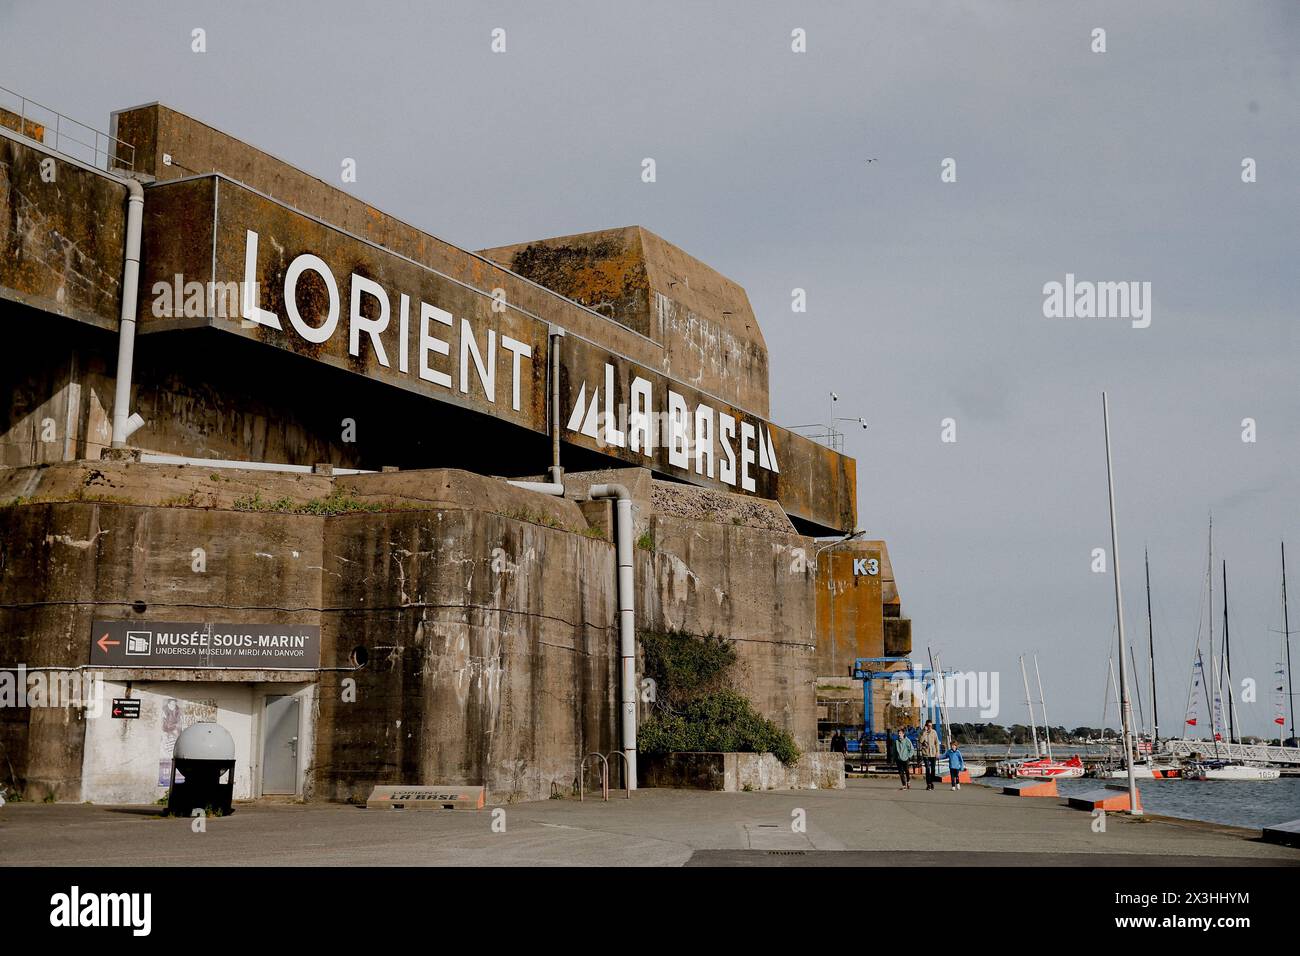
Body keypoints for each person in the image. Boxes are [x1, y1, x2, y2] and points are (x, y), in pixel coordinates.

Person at [918, 720, 941, 791]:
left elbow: (937, 743)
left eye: (931, 726)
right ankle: (928, 784)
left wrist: (938, 752)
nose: (930, 727)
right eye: (928, 725)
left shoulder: (934, 732)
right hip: (926, 754)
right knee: (927, 769)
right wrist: (924, 732)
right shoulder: (922, 732)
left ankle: (931, 782)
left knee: (933, 770)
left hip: (933, 754)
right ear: (926, 726)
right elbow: (921, 741)